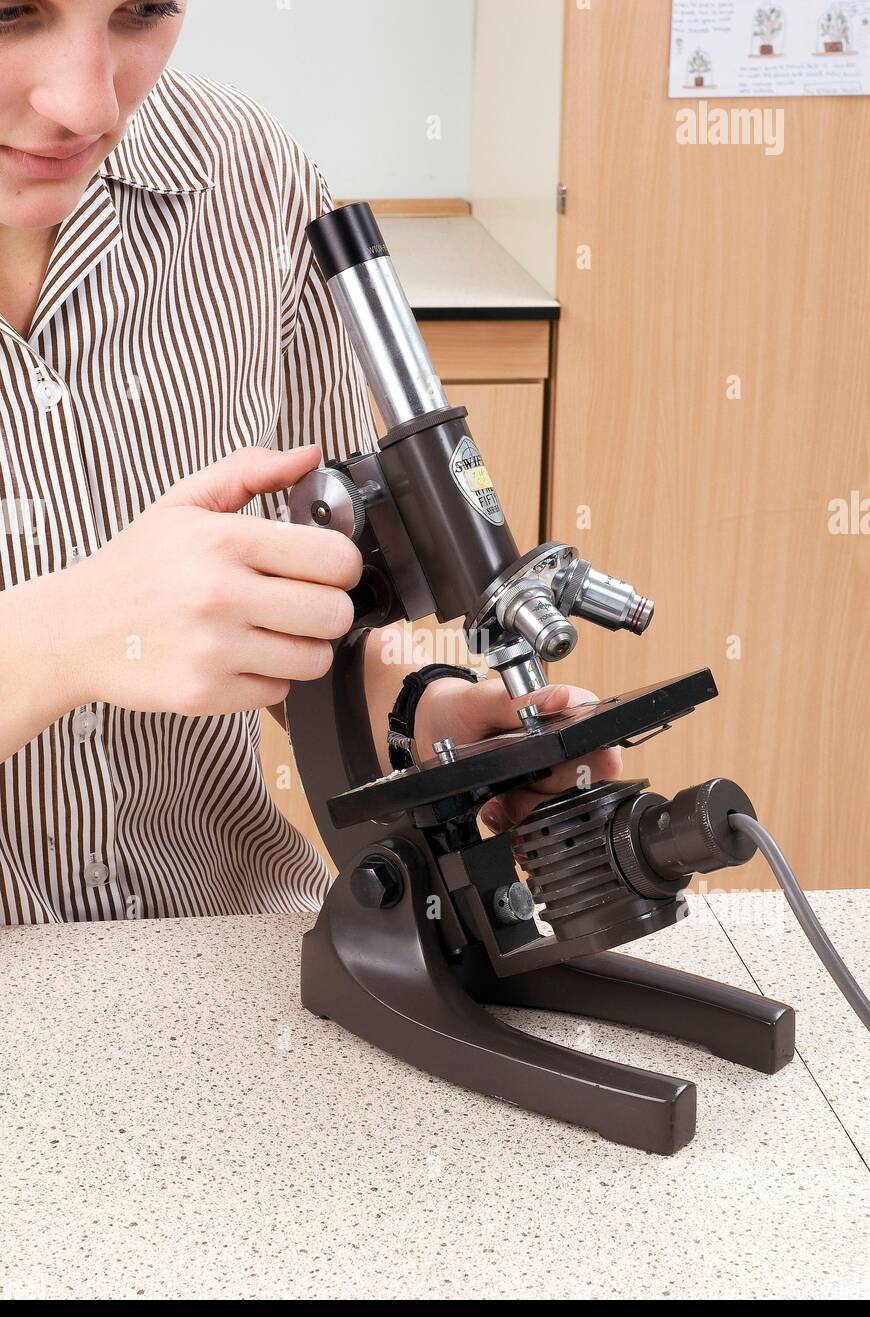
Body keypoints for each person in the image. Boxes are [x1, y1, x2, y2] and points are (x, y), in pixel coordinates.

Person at [0, 0, 621, 925]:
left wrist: (434, 720)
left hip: (226, 936)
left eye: (143, 11)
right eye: (13, 13)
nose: (88, 104)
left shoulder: (247, 175)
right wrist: (66, 635)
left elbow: (323, 616)